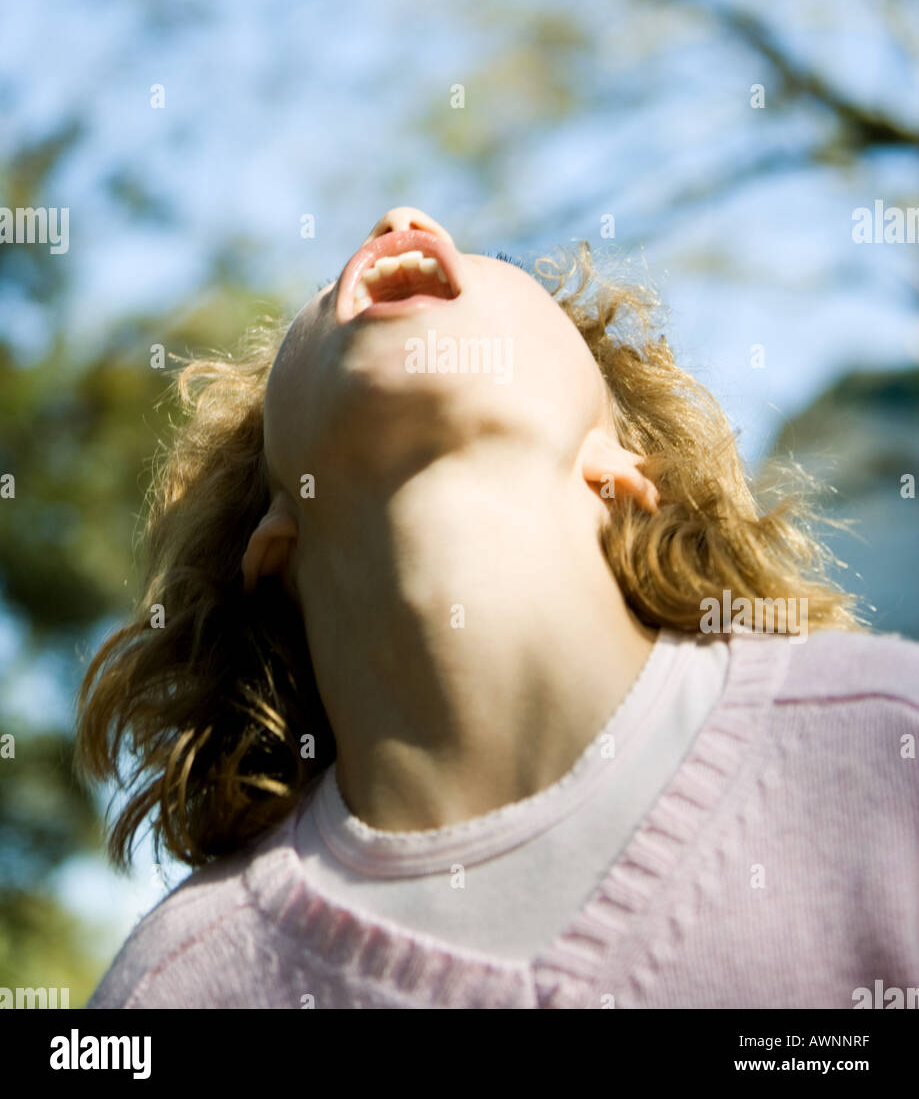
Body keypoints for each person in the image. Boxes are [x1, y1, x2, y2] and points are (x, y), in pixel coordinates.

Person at [77, 206, 919, 1009]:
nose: (401, 222)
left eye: (497, 265)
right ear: (272, 540)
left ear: (624, 466)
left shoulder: (885, 743)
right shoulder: (180, 985)